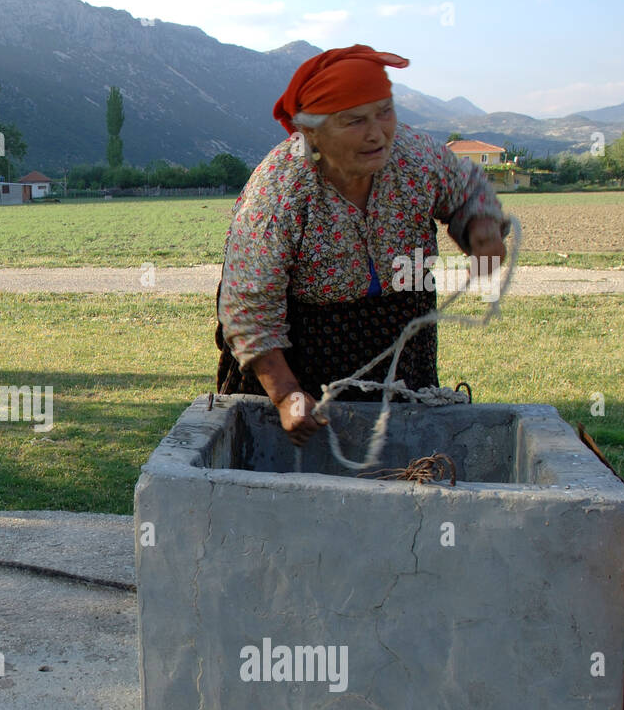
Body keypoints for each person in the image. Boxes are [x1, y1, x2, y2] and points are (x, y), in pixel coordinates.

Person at [215, 44, 509, 446]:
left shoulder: (414, 157)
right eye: (354, 121)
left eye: (384, 112)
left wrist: (480, 227)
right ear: (312, 131)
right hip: (300, 354)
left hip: (402, 345)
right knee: (296, 474)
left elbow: (465, 189)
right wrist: (285, 395)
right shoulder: (279, 191)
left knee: (400, 458)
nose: (377, 133)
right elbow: (248, 305)